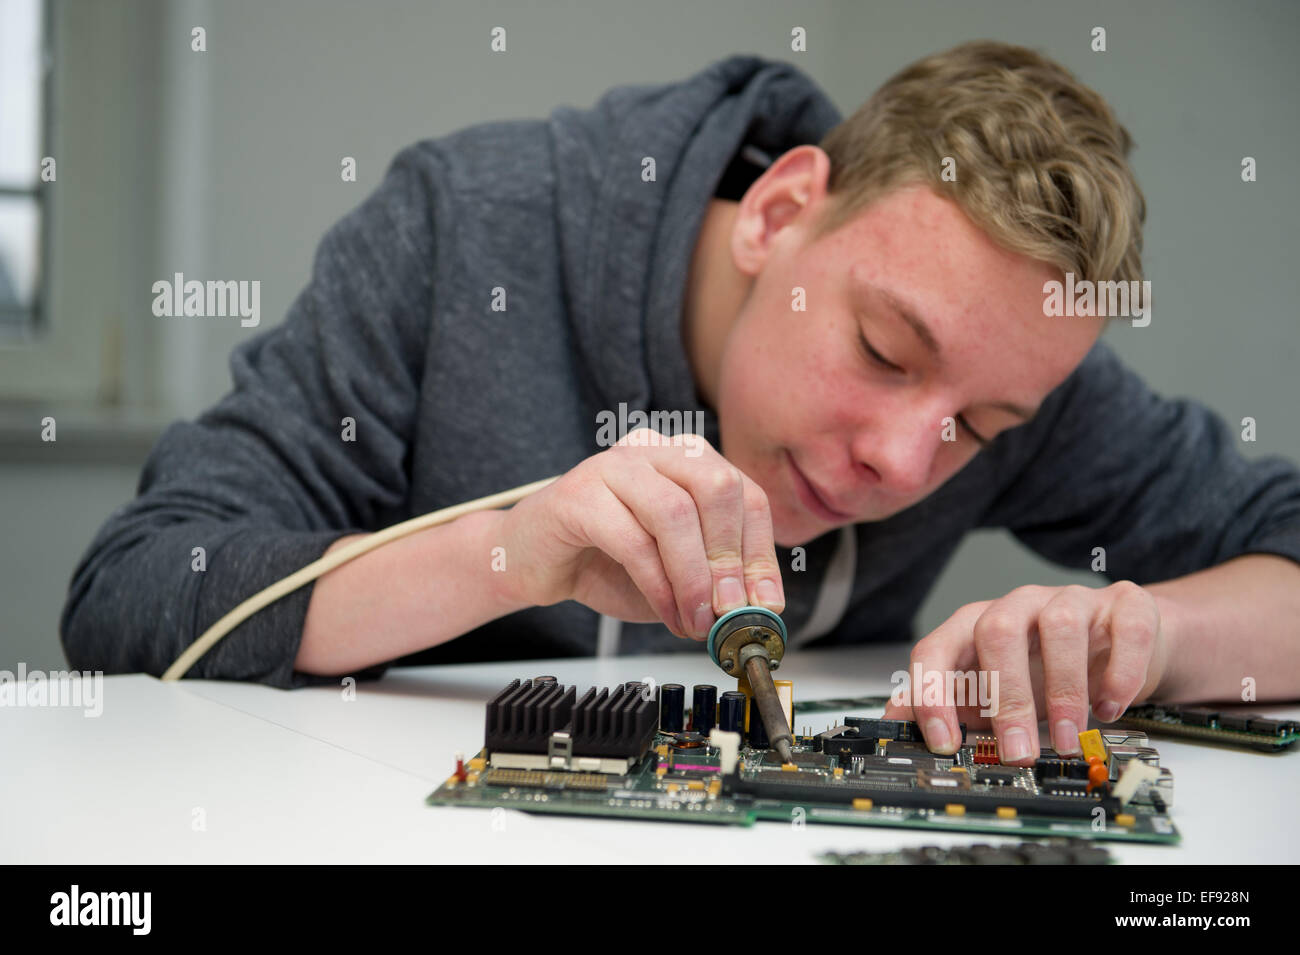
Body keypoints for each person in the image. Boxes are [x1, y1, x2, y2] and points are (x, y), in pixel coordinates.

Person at [61, 42, 1300, 766]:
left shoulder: (1000, 364)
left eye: (979, 430)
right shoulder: (463, 232)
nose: (905, 459)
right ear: (776, 212)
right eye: (881, 349)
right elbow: (134, 592)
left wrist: (1146, 639)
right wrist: (506, 552)